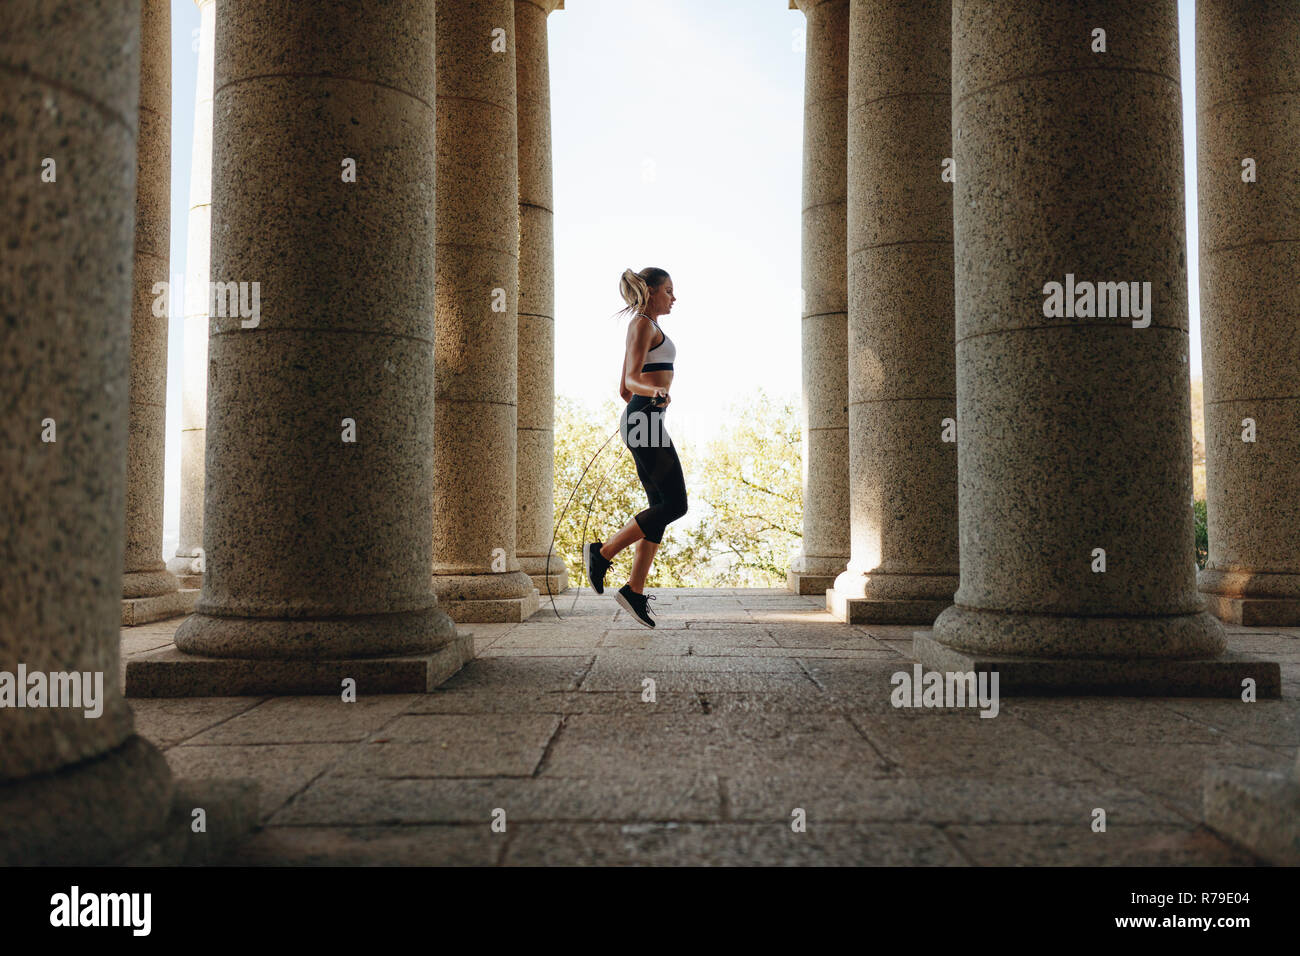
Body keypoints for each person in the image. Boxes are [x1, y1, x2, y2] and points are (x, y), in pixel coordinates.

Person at [583, 266, 687, 628]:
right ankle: (603, 552)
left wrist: (653, 393)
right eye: (669, 290)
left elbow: (625, 389)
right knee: (675, 505)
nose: (674, 297)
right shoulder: (642, 324)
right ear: (652, 291)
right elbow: (631, 382)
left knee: (660, 507)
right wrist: (655, 391)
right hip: (642, 420)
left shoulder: (650, 327)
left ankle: (634, 591)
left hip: (646, 418)